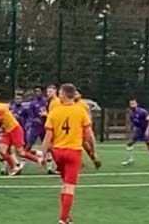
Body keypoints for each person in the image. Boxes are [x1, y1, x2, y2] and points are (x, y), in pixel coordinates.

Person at [41, 83, 97, 224]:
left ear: (64, 95)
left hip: (57, 153)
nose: (58, 95)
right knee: (70, 187)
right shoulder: (81, 111)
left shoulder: (54, 112)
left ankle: (66, 216)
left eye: (60, 92)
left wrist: (43, 155)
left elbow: (48, 137)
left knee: (65, 185)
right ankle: (63, 219)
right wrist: (93, 152)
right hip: (73, 152)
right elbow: (89, 135)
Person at [0, 92, 43, 176]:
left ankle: (38, 160)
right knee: (2, 151)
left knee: (21, 152)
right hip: (8, 131)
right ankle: (14, 167)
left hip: (15, 129)